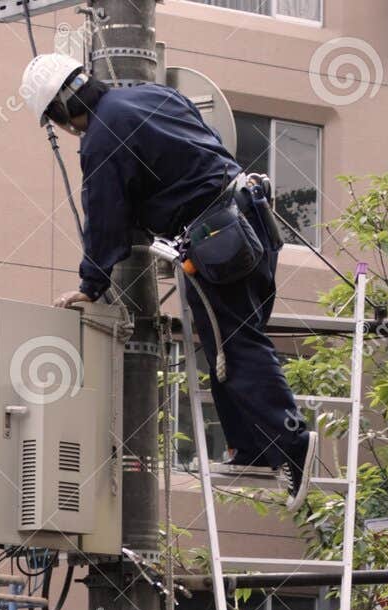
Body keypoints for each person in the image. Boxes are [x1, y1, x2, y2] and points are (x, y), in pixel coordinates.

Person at [19, 52, 317, 510]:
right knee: (222, 345)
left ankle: (293, 441)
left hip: (218, 235)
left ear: (59, 111)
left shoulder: (101, 140)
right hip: (249, 218)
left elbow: (105, 217)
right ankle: (253, 450)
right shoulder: (154, 95)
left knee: (235, 345)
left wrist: (91, 283)